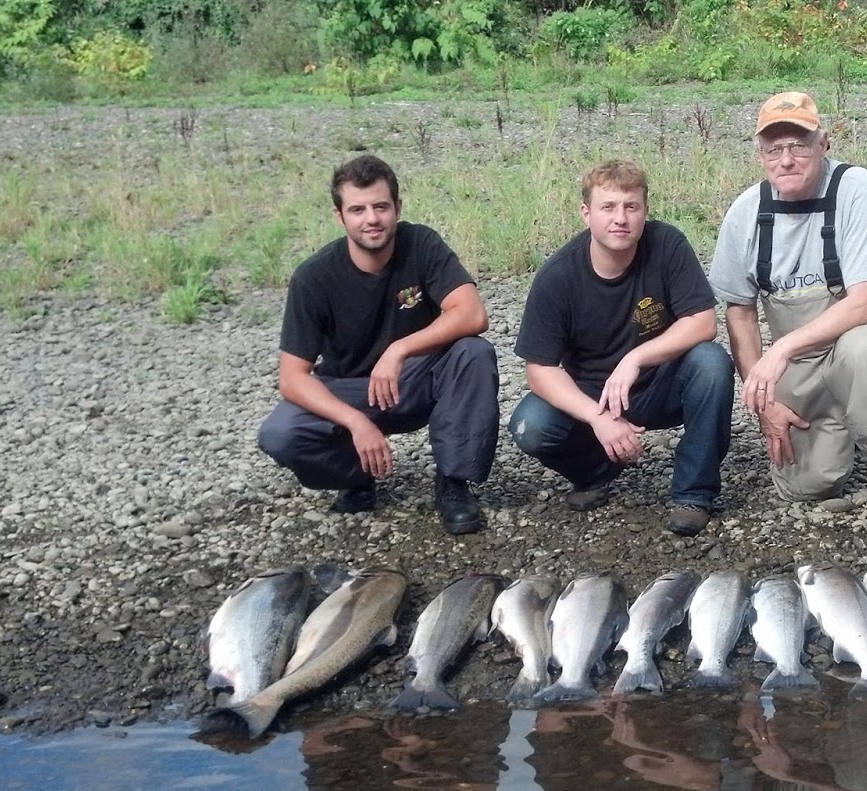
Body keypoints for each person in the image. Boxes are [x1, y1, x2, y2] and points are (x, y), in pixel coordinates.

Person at [709, 91, 867, 547]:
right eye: (774, 149)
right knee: (807, 486)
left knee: (860, 353)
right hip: (802, 358)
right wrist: (764, 402)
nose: (786, 159)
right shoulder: (745, 213)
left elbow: (866, 303)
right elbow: (739, 312)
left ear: (824, 143)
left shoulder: (858, 189)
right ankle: (848, 416)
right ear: (761, 155)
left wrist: (780, 350)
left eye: (799, 145)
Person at [257, 154, 496, 535]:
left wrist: (399, 350)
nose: (372, 219)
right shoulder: (312, 278)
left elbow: (472, 313)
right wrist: (356, 422)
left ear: (397, 207)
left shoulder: (421, 243)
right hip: (350, 390)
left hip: (415, 380)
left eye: (381, 206)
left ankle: (453, 482)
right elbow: (292, 378)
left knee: (473, 353)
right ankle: (356, 473)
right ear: (340, 216)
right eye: (358, 209)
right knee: (280, 433)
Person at [510, 160, 733, 537]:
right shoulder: (557, 277)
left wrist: (636, 358)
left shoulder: (667, 245)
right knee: (530, 425)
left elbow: (703, 322)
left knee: (711, 363)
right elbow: (540, 369)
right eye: (608, 207)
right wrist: (598, 419)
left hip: (661, 384)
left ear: (645, 211)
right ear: (586, 213)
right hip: (594, 396)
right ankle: (597, 470)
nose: (621, 219)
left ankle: (694, 493)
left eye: (631, 207)